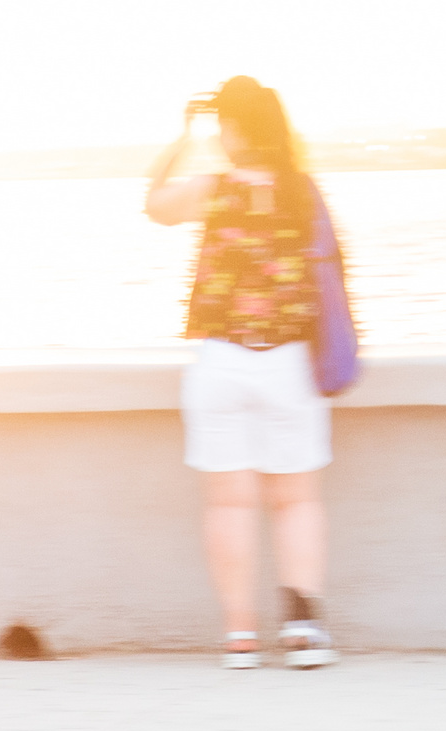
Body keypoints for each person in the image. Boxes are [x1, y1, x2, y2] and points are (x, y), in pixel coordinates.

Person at [145, 76, 339, 670]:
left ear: (228, 127)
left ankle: (240, 637)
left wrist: (184, 136)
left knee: (229, 505)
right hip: (288, 364)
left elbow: (154, 204)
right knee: (295, 501)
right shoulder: (300, 191)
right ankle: (303, 629)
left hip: (221, 363)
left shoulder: (212, 187)